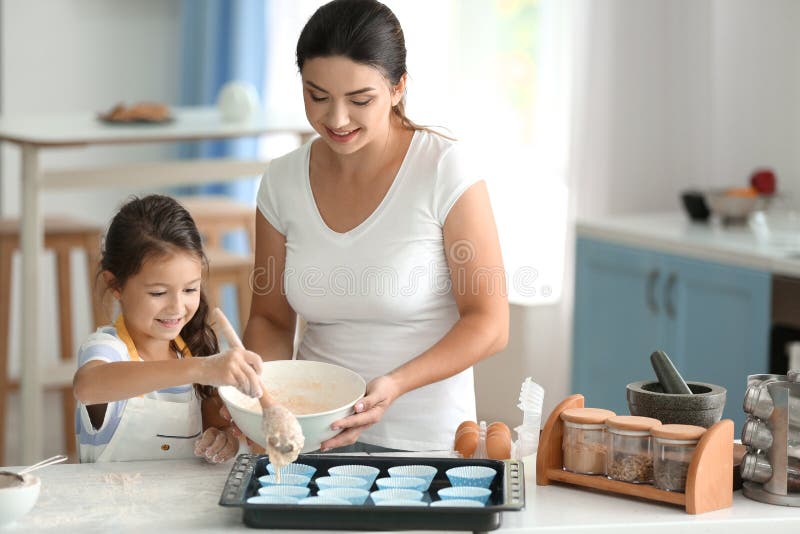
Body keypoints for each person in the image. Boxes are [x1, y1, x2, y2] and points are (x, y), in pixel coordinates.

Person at [237, 0, 508, 453]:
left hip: (424, 444)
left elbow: (490, 323)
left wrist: (396, 384)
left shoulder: (443, 170)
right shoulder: (282, 180)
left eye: (360, 100)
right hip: (315, 438)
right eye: (317, 96)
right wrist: (265, 403)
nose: (336, 119)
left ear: (399, 87)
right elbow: (270, 319)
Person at [72, 194, 264, 463]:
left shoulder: (191, 350)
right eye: (159, 292)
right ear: (115, 285)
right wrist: (203, 368)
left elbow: (215, 426)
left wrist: (224, 439)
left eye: (189, 289)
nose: (177, 307)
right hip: (111, 503)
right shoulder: (107, 348)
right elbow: (88, 387)